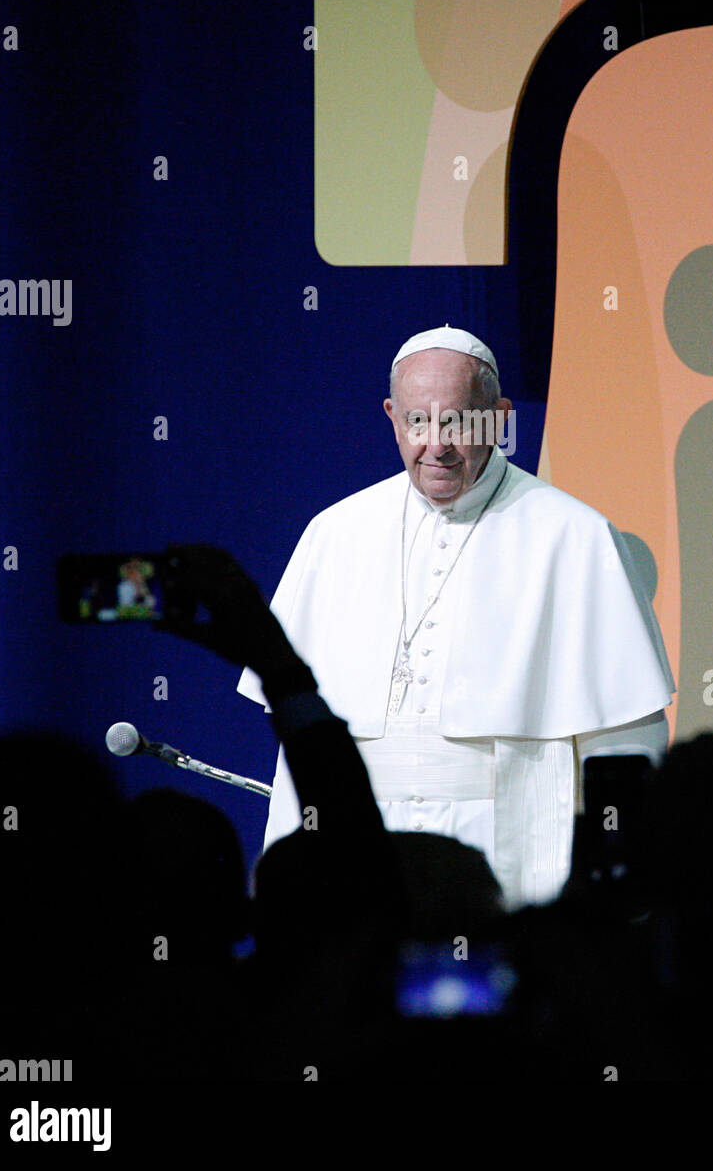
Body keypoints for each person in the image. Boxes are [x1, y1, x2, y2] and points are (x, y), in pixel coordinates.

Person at [238, 325, 675, 907]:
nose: (436, 445)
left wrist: (614, 878)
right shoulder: (336, 534)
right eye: (418, 422)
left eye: (458, 422)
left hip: (509, 847)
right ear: (392, 415)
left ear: (497, 416)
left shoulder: (574, 537)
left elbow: (627, 738)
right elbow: (297, 738)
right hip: (358, 852)